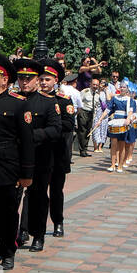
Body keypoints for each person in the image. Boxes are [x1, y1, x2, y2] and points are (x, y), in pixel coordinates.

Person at [0, 53, 33, 270]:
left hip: (7, 166)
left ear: (5, 79)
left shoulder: (18, 104)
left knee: (5, 212)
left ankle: (8, 249)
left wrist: (27, 173)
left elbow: (27, 141)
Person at [14, 58, 61, 251]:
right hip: (15, 157)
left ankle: (38, 235)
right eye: (21, 78)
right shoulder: (13, 100)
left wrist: (31, 136)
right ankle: (14, 233)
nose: (25, 82)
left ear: (36, 80)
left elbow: (56, 129)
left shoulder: (48, 103)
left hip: (39, 157)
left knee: (38, 197)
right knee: (10, 198)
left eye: (29, 78)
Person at [47, 65, 78, 235]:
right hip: (40, 152)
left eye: (47, 79)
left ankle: (58, 221)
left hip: (58, 151)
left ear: (55, 81)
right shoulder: (34, 99)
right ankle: (26, 228)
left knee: (56, 191)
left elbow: (69, 124)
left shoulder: (64, 100)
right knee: (35, 192)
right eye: (41, 79)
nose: (43, 83)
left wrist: (50, 126)